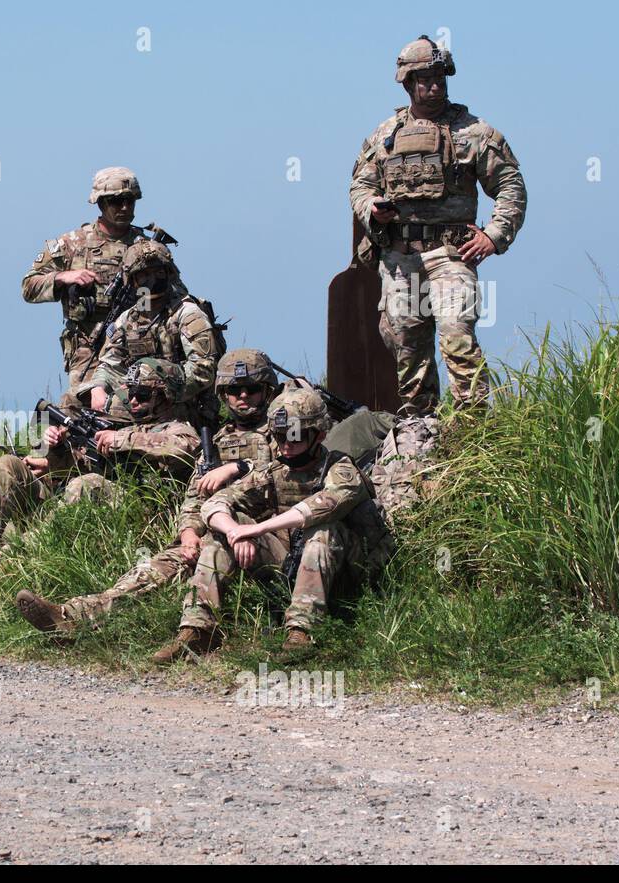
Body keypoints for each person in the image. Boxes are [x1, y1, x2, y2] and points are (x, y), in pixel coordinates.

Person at [13, 349, 282, 639]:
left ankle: (204, 633)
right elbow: (197, 492)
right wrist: (188, 532)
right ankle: (72, 617)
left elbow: (185, 448)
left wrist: (239, 467)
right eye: (234, 390)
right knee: (154, 570)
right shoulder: (217, 440)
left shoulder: (282, 434)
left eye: (251, 389)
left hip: (265, 535)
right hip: (215, 533)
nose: (242, 396)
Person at [0, 359, 199, 603]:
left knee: (86, 484)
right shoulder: (121, 427)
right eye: (131, 393)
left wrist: (122, 440)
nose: (133, 400)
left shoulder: (179, 429)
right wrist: (58, 447)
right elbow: (69, 470)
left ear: (165, 396)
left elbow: (183, 448)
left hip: (130, 522)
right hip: (68, 509)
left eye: (142, 394)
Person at [350, 36, 527, 415]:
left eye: (439, 78)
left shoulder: (474, 132)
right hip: (400, 258)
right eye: (424, 79)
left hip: (452, 255)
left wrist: (494, 236)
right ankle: (421, 425)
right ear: (407, 83)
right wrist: (372, 209)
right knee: (407, 347)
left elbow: (510, 185)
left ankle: (473, 428)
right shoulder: (385, 135)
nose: (433, 86)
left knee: (457, 339)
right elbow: (360, 186)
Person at [158, 386, 390, 662]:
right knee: (219, 535)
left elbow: (318, 507)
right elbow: (214, 504)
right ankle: (198, 629)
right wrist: (236, 532)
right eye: (280, 436)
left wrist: (257, 529)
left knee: (322, 531)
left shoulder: (341, 469)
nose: (287, 445)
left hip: (350, 570)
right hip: (292, 563)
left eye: (296, 436)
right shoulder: (273, 472)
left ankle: (302, 632)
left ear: (319, 435)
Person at [22, 166, 185, 406]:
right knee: (81, 409)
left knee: (142, 409)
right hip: (89, 348)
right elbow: (29, 287)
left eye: (129, 201)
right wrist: (63, 277)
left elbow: (178, 295)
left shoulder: (148, 248)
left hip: (139, 345)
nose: (124, 207)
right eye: (116, 201)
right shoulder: (72, 244)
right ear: (100, 203)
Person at [79, 239, 223, 430]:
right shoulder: (128, 319)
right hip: (140, 399)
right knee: (73, 402)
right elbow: (110, 364)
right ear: (132, 280)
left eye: (158, 272)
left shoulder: (187, 313)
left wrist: (155, 386)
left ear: (169, 273)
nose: (152, 279)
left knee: (120, 404)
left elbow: (203, 369)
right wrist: (98, 388)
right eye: (144, 275)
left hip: (184, 404)